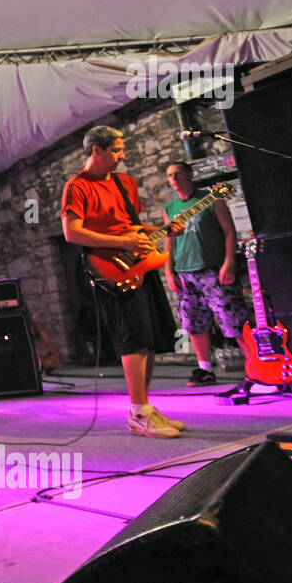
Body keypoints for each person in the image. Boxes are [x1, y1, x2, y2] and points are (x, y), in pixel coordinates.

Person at [61, 127, 185, 438]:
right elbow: (72, 233)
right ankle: (138, 412)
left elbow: (133, 225)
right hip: (110, 269)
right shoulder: (77, 186)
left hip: (140, 264)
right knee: (133, 338)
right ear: (96, 151)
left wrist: (162, 229)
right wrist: (122, 243)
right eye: (116, 150)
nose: (122, 155)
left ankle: (143, 408)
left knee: (150, 337)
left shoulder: (125, 182)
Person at [163, 162, 244, 385]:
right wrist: (169, 271)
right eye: (170, 175)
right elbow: (169, 242)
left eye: (178, 173)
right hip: (185, 273)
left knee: (232, 319)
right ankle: (205, 369)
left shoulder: (210, 199)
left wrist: (229, 261)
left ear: (189, 174)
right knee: (194, 322)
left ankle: (257, 366)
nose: (174, 178)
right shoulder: (169, 209)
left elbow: (229, 231)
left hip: (212, 269)